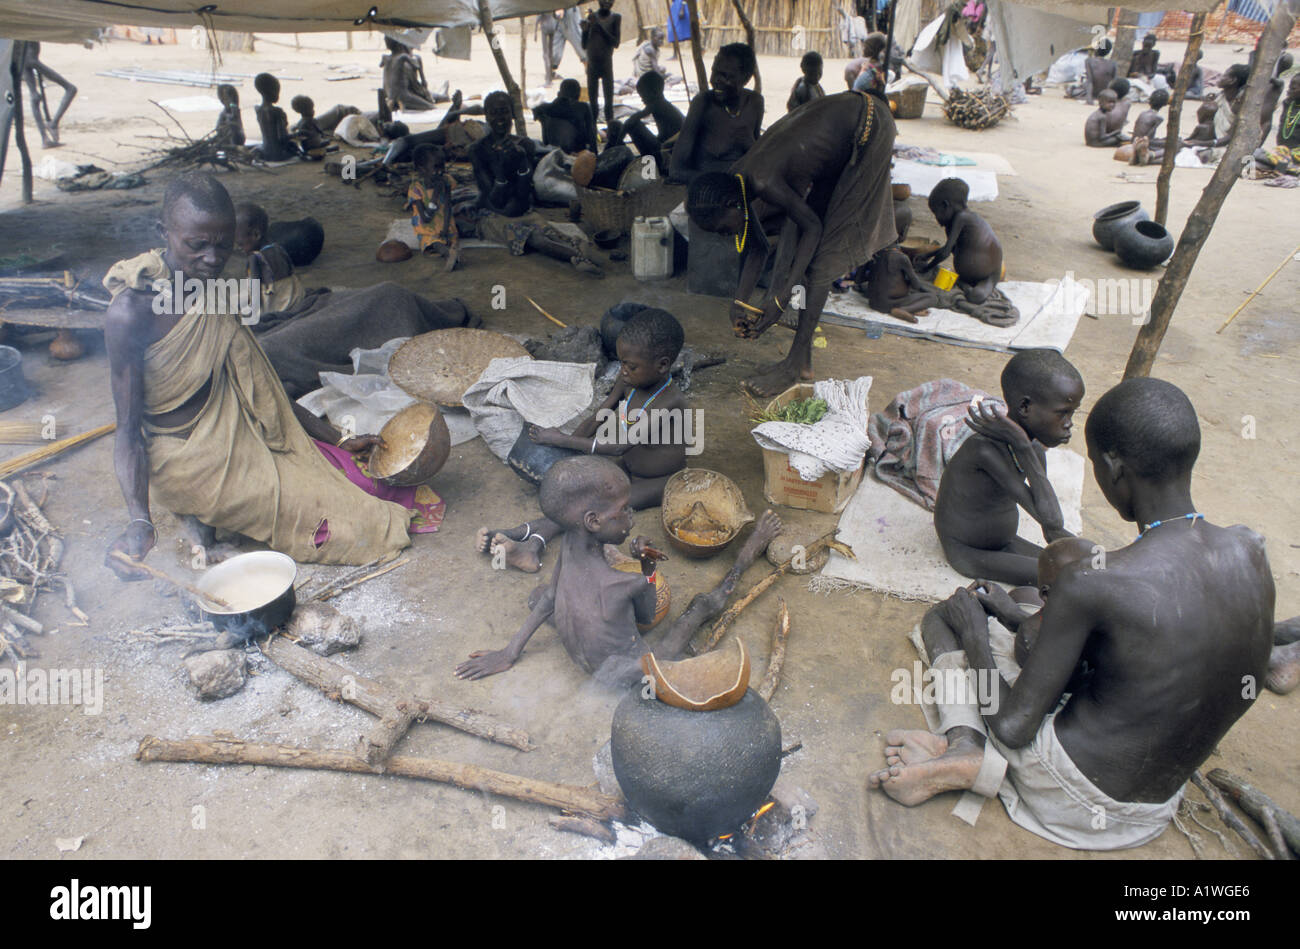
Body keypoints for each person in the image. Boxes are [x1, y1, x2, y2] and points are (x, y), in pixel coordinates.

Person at [871, 378, 1273, 852]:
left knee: (947, 619)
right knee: (1029, 608)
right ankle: (971, 743)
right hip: (1155, 806)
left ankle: (968, 746)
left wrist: (976, 635)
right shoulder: (1250, 548)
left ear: (1113, 467)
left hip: (1074, 798)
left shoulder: (1093, 581)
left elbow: (1014, 727)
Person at [102, 174, 418, 574]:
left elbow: (261, 387)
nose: (214, 260)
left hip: (243, 434)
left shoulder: (206, 287)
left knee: (366, 481)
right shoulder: (131, 313)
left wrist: (338, 437)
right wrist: (139, 521)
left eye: (223, 244)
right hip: (188, 461)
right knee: (356, 524)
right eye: (197, 246)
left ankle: (224, 516)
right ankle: (199, 515)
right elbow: (127, 432)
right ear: (164, 232)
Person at [457, 454, 783, 685]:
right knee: (700, 606)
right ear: (593, 521)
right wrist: (647, 565)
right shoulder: (625, 584)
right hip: (632, 672)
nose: (631, 517)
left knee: (540, 596)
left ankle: (590, 625)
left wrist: (509, 652)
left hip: (586, 660)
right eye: (623, 511)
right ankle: (751, 548)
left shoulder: (570, 544)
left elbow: (549, 599)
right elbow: (646, 617)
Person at [685, 89, 896, 396]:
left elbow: (811, 227)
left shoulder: (762, 180)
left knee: (824, 257)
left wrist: (781, 300)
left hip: (869, 126)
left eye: (722, 229)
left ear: (731, 205)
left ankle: (797, 362)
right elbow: (757, 239)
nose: (726, 237)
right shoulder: (736, 183)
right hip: (842, 132)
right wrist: (739, 303)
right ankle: (803, 358)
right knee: (793, 240)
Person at [476, 308, 689, 573]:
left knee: (595, 512)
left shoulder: (670, 401)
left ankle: (531, 544)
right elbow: (598, 417)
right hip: (627, 466)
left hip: (659, 480)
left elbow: (620, 446)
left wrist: (563, 439)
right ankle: (523, 535)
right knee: (581, 500)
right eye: (621, 362)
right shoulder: (629, 382)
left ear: (662, 365)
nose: (623, 370)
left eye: (630, 365)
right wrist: (567, 454)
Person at [934, 349, 1083, 586]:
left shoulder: (1032, 451)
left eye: (1072, 413)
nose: (1069, 424)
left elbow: (1051, 529)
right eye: (1062, 413)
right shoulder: (984, 451)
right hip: (969, 552)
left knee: (1084, 566)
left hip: (1005, 542)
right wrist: (1022, 445)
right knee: (1066, 578)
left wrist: (1090, 556)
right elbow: (1053, 521)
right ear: (1025, 407)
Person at [468, 92, 604, 276]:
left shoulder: (525, 146)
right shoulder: (477, 150)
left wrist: (522, 162)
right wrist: (501, 172)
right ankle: (576, 258)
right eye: (494, 113)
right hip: (493, 216)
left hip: (522, 210)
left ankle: (577, 252)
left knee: (553, 234)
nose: (500, 118)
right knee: (536, 239)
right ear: (486, 115)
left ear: (512, 115)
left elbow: (525, 197)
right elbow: (495, 202)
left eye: (504, 112)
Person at [669, 43, 764, 185]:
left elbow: (758, 158)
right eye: (714, 72)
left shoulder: (754, 102)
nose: (715, 81)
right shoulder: (703, 104)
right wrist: (721, 182)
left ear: (746, 78)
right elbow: (676, 171)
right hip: (709, 190)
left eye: (726, 76)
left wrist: (750, 143)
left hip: (744, 186)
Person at [914, 178, 1009, 314]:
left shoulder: (962, 218)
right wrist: (927, 255)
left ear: (946, 205)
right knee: (973, 295)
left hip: (990, 274)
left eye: (936, 213)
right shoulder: (958, 221)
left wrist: (927, 268)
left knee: (975, 297)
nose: (937, 220)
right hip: (977, 275)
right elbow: (952, 248)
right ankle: (963, 283)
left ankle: (962, 284)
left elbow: (946, 252)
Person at [608, 71, 684, 172]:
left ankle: (651, 169)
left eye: (643, 96)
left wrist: (618, 143)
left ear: (654, 93)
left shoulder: (657, 104)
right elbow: (664, 135)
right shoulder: (664, 105)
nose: (642, 100)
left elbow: (630, 121)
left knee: (634, 125)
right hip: (669, 150)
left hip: (668, 154)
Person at [406, 145, 460, 271]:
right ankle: (449, 254)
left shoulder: (446, 181)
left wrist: (446, 227)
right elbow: (425, 218)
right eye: (436, 167)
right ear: (422, 169)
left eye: (443, 166)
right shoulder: (416, 188)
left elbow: (448, 207)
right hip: (427, 228)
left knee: (450, 237)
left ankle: (451, 250)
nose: (441, 171)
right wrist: (435, 194)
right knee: (433, 242)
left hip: (445, 225)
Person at [14, 41, 77, 149]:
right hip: (31, 60)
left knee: (35, 97)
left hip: (23, 61)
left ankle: (45, 138)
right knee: (71, 89)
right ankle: (53, 123)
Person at [581, 0, 622, 126]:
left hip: (606, 64)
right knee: (593, 104)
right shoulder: (591, 17)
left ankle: (611, 132)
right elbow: (584, 45)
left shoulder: (615, 18)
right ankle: (593, 132)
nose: (607, 2)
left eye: (610, 0)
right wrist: (585, 30)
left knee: (608, 104)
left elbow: (615, 43)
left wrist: (598, 26)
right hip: (592, 64)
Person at [381, 36, 447, 112]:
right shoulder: (403, 58)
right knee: (431, 106)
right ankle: (443, 96)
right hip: (403, 96)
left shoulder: (386, 58)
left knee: (424, 95)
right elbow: (416, 67)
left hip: (391, 96)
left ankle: (443, 96)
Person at [533, 78, 599, 154]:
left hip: (551, 150)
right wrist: (595, 154)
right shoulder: (583, 108)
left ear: (559, 93)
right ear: (578, 94)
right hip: (577, 151)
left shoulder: (544, 109)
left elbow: (536, 111)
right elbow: (591, 135)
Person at [251, 73, 297, 162]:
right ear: (271, 92)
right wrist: (296, 134)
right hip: (278, 154)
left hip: (265, 151)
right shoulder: (277, 112)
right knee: (294, 146)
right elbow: (282, 138)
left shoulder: (258, 110)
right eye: (277, 91)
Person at [1124, 88, 1173, 165]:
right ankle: (1150, 155)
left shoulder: (1143, 113)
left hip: (1134, 140)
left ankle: (1138, 155)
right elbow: (1149, 135)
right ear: (1165, 104)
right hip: (1144, 142)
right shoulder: (1158, 118)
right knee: (1171, 146)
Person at [537, 10, 568, 86]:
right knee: (550, 53)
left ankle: (548, 80)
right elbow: (557, 15)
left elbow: (539, 15)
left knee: (546, 54)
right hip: (553, 25)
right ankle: (550, 77)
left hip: (545, 25)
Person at [213, 84, 245, 148]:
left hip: (234, 139)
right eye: (221, 98)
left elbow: (234, 121)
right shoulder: (224, 111)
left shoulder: (233, 108)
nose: (222, 101)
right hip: (225, 139)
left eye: (225, 98)